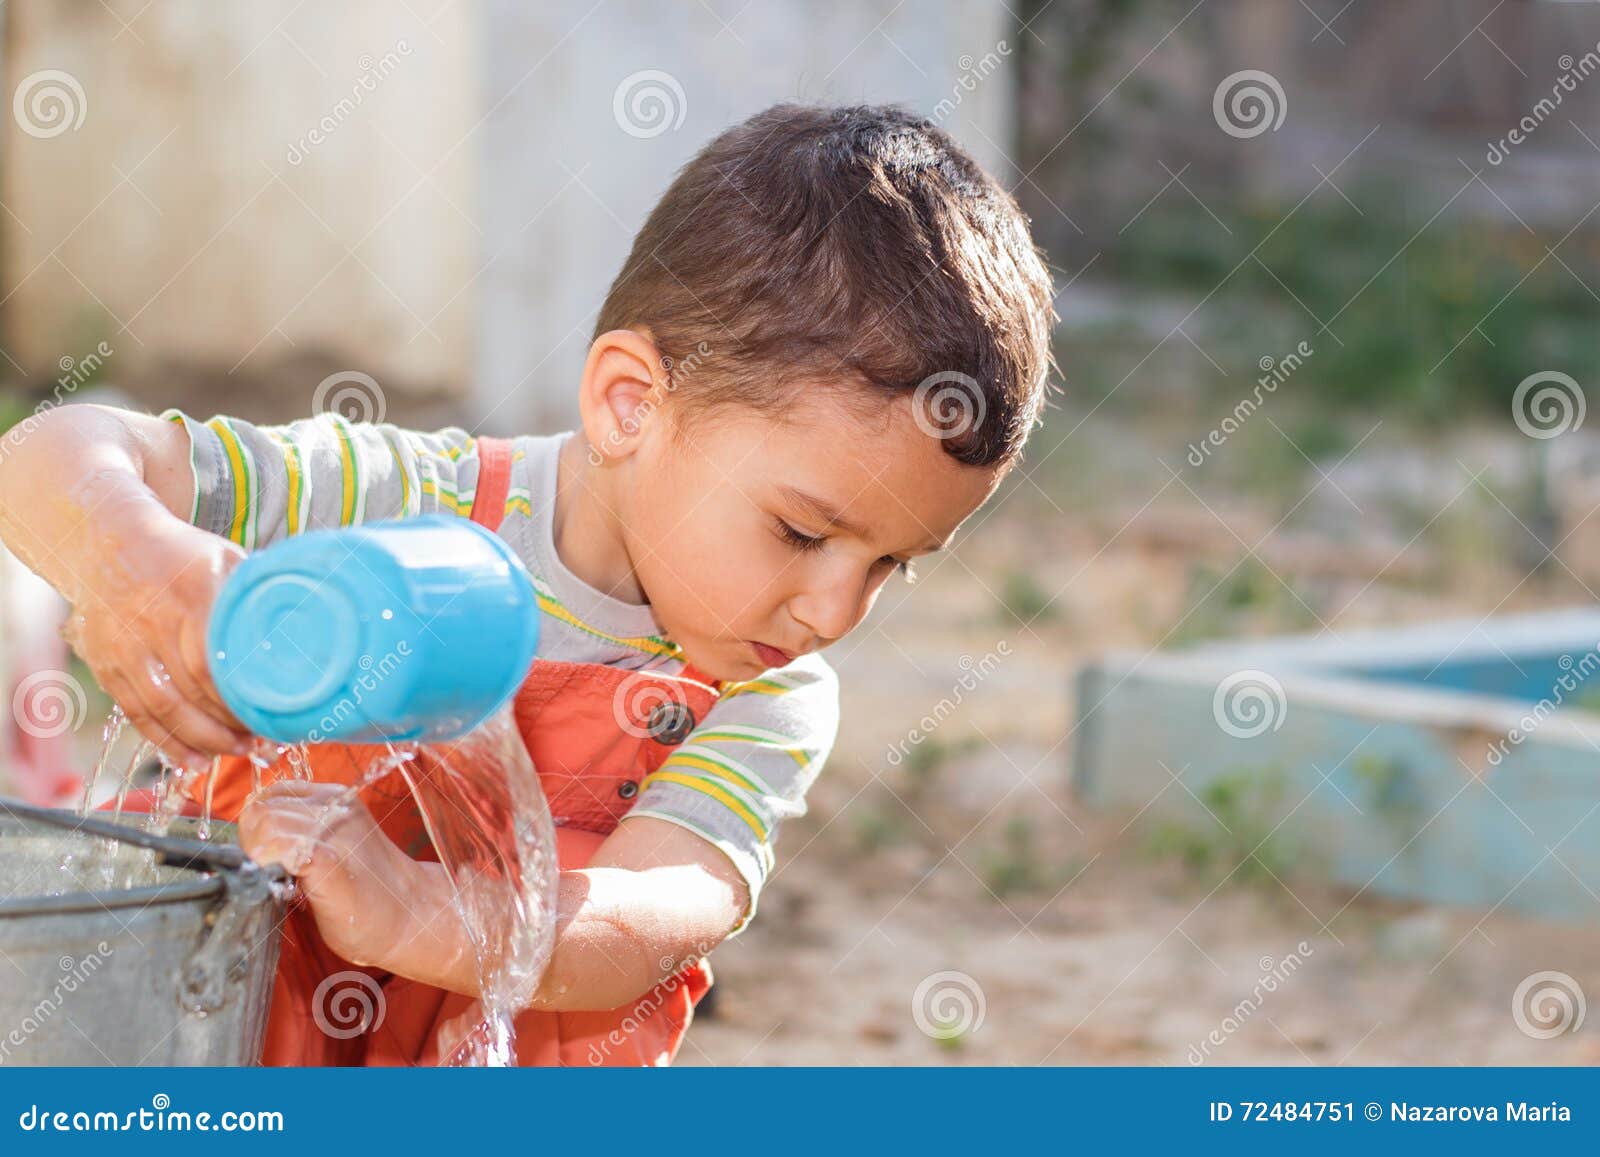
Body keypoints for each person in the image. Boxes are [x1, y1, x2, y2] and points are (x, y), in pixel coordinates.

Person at [0, 102, 1057, 1065]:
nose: (833, 610)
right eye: (800, 531)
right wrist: (135, 562)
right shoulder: (397, 499)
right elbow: (51, 454)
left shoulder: (762, 690)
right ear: (630, 404)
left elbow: (656, 907)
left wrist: (417, 911)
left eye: (890, 563)